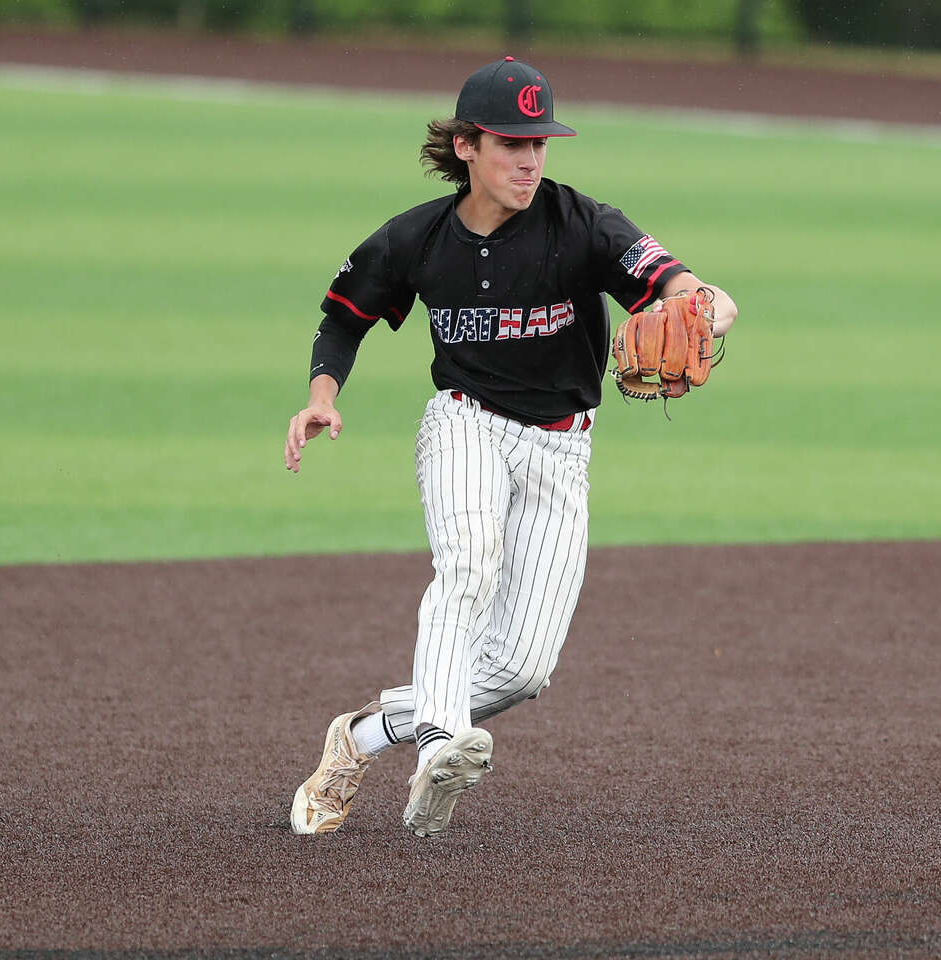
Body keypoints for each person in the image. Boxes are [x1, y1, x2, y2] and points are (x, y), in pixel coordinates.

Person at [284, 57, 738, 838]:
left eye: (540, 143)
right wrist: (322, 396)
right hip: (466, 424)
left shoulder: (583, 224)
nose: (530, 160)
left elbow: (689, 289)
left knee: (522, 667)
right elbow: (344, 317)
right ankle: (437, 749)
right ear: (466, 145)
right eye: (511, 143)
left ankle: (361, 736)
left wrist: (704, 309)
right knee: (467, 565)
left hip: (563, 451)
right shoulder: (418, 238)